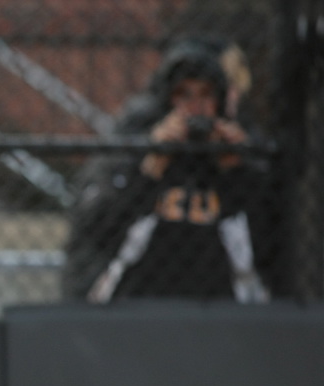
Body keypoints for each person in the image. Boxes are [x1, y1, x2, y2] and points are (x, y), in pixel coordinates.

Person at [61, 38, 275, 303]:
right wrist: (151, 167)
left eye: (206, 94)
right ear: (166, 100)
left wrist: (235, 170)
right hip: (134, 306)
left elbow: (266, 243)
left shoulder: (239, 147)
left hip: (219, 309)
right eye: (183, 95)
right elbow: (95, 229)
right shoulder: (135, 139)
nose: (194, 106)